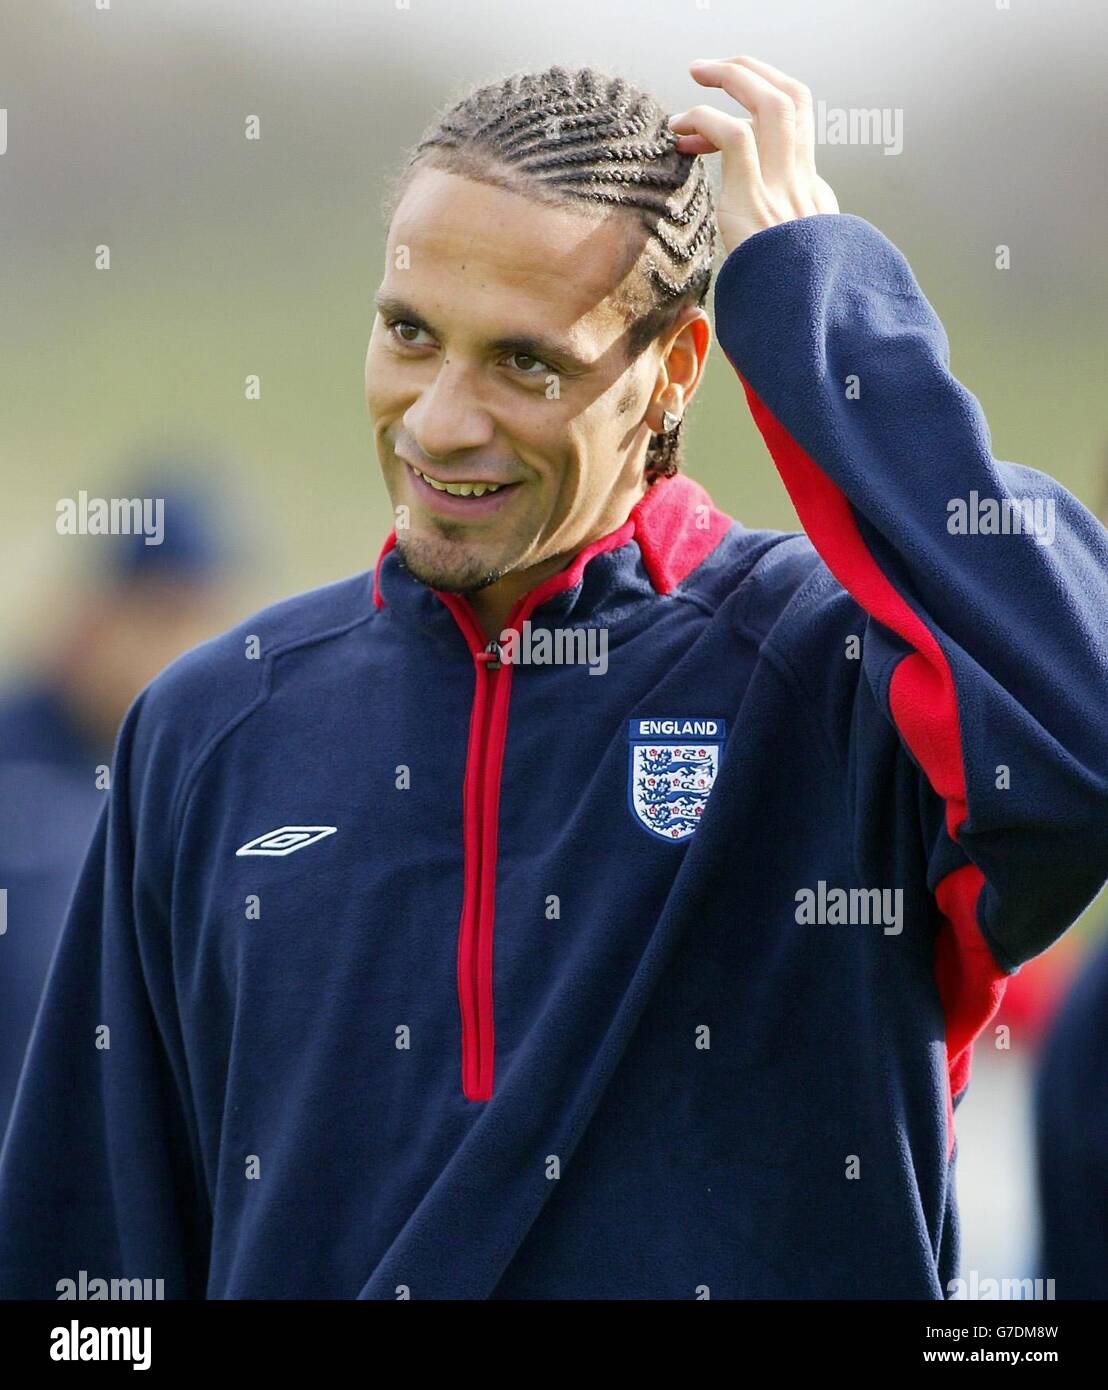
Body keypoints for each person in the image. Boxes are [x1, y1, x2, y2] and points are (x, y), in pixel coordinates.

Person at [1, 57, 1105, 1300]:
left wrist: (821, 300)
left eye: (525, 364)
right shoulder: (212, 724)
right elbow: (86, 1273)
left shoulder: (835, 679)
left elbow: (1082, 746)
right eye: (409, 333)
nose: (439, 422)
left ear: (677, 371)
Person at [0, 472, 234, 1139]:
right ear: (95, 612)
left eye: (207, 618)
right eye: (164, 615)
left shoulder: (199, 788)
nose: (186, 648)